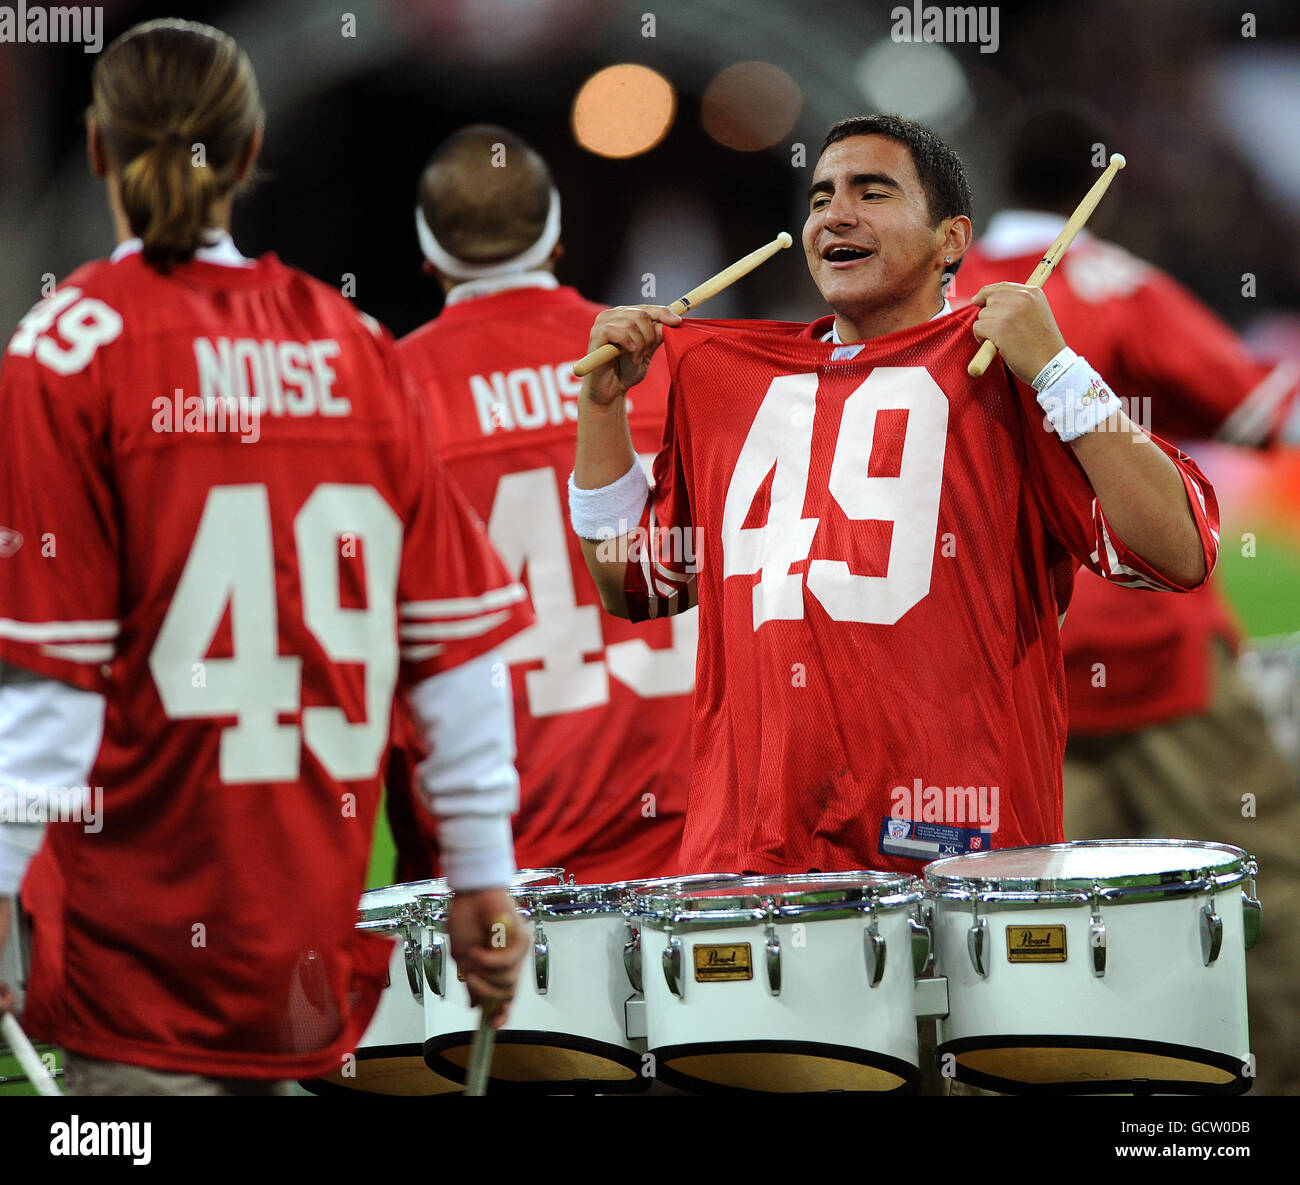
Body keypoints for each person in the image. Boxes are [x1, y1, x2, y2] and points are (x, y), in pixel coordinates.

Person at [0, 19, 532, 1095]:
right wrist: (481, 871)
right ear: (248, 155)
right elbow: (451, 655)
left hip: (136, 966)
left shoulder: (68, 348)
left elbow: (51, 687)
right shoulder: (356, 347)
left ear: (99, 149)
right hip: (302, 962)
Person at [571, 113, 1220, 880]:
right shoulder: (730, 381)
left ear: (952, 240)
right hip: (756, 865)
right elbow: (637, 583)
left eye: (871, 192)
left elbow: (1181, 551)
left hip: (958, 863)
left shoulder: (1002, 370)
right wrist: (602, 411)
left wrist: (1059, 370)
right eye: (819, 199)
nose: (835, 214)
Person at [956, 103, 1300, 1095]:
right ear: (1094, 190)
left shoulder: (944, 302)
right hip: (1158, 659)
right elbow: (1255, 413)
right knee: (1257, 892)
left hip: (1015, 674)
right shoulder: (1116, 283)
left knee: (1041, 931)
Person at [387, 125, 695, 887]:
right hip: (700, 845)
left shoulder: (386, 395)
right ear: (557, 239)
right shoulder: (672, 356)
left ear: (427, 255)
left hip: (507, 859)